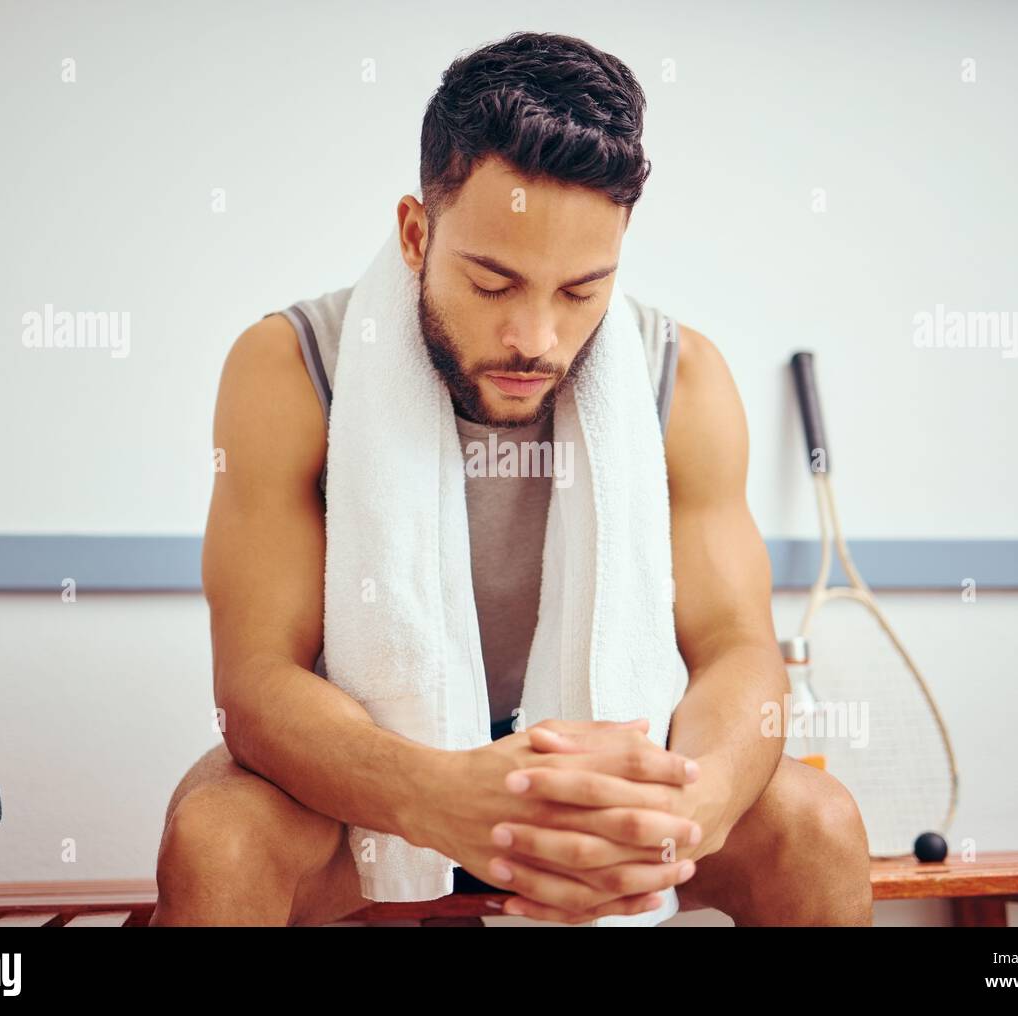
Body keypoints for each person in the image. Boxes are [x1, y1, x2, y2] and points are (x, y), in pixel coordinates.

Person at [151, 31, 872, 927]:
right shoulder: (290, 368)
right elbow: (256, 680)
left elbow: (737, 649)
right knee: (216, 836)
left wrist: (692, 808)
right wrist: (438, 792)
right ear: (417, 233)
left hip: (602, 787)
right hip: (369, 788)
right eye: (493, 283)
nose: (536, 337)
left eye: (579, 291)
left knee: (819, 823)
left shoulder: (681, 378)